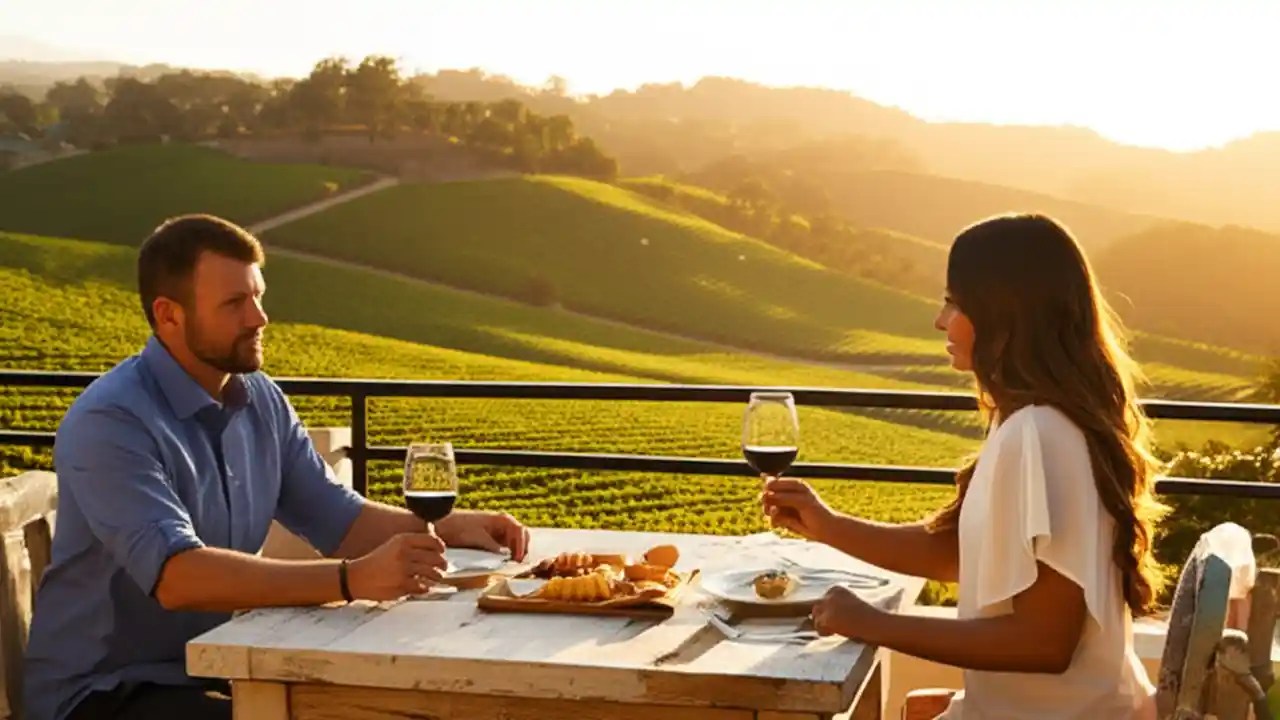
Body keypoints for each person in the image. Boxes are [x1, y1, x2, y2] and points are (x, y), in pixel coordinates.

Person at [23, 214, 531, 720]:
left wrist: (445, 526)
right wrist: (350, 581)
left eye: (258, 296)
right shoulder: (111, 422)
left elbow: (340, 519)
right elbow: (178, 577)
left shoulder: (259, 399)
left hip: (221, 667)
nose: (259, 318)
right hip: (108, 693)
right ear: (169, 316)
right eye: (234, 303)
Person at [762, 213, 1168, 719]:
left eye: (955, 302)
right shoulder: (1028, 420)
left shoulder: (1040, 435)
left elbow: (1044, 643)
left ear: (1005, 313)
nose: (940, 320)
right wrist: (828, 526)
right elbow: (962, 555)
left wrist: (872, 623)